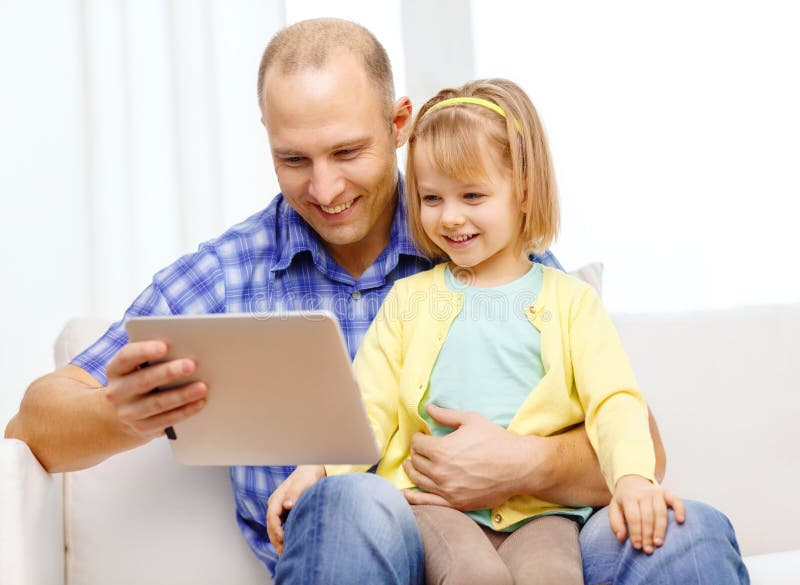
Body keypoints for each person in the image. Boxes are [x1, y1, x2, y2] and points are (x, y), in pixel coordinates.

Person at [4, 17, 749, 585]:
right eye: (294, 159)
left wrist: (523, 462)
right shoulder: (230, 275)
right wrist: (118, 410)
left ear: (400, 124)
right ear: (266, 141)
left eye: (348, 152)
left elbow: (636, 440)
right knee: (348, 502)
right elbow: (33, 420)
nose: (323, 190)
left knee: (692, 531)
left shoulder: (480, 242)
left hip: (536, 533)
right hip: (371, 543)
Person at [265, 78, 686, 585]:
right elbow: (365, 404)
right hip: (434, 507)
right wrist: (316, 469)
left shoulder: (571, 302)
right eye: (431, 197)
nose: (451, 216)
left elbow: (614, 400)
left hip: (542, 511)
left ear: (525, 190)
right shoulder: (410, 300)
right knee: (474, 576)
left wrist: (633, 479)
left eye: (472, 195)